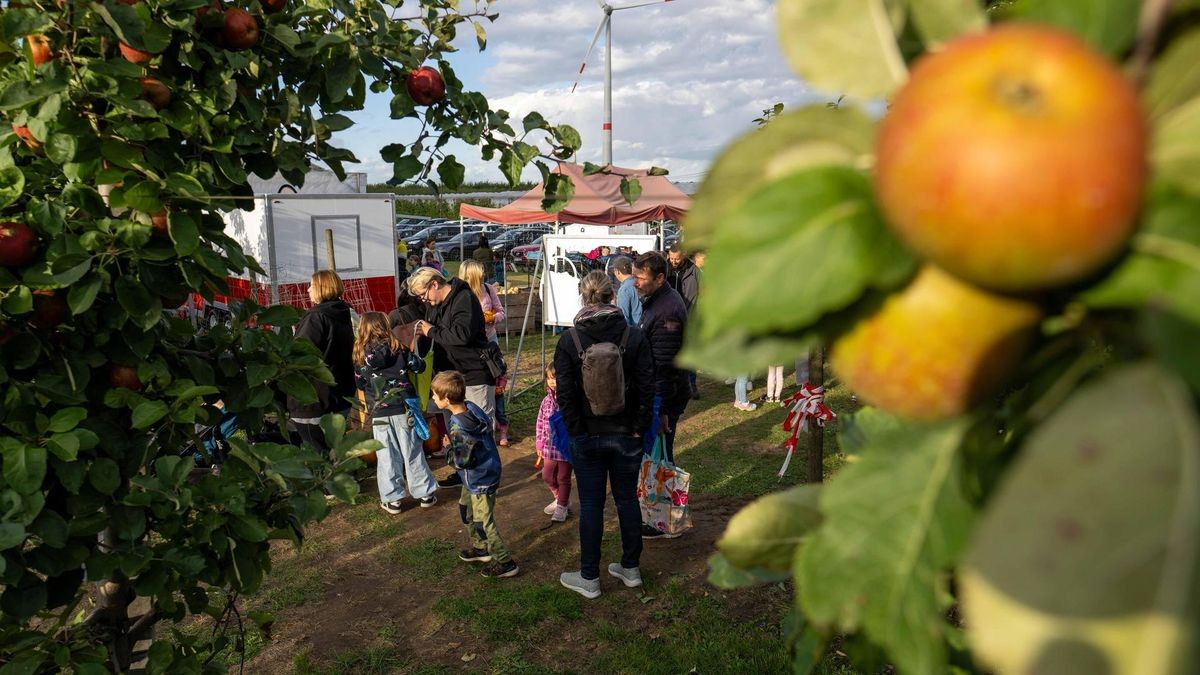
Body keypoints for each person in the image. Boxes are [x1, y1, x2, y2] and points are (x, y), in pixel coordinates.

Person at [555, 271, 654, 598]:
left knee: (592, 505)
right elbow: (647, 387)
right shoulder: (634, 336)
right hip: (627, 434)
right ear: (613, 296)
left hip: (588, 436)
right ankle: (630, 568)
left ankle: (589, 576)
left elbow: (565, 393)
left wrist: (576, 431)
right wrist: (639, 427)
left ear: (584, 298)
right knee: (627, 500)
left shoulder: (570, 340)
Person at [433, 370, 519, 578]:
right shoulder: (471, 408)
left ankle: (505, 561)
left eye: (435, 395)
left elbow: (463, 460)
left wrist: (448, 448)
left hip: (480, 480)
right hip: (476, 476)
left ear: (446, 399)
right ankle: (481, 548)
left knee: (483, 522)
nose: (433, 398)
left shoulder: (459, 428)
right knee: (465, 509)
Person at [352, 312, 438, 514]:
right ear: (385, 326)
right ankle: (425, 493)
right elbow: (419, 366)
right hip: (404, 408)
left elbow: (360, 384)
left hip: (379, 412)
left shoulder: (360, 356)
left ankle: (393, 499)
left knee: (386, 455)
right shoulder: (397, 348)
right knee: (412, 451)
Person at [632, 252, 690, 540]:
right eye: (634, 276)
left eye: (640, 278)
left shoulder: (667, 310)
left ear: (659, 278)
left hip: (663, 396)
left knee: (660, 460)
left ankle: (659, 520)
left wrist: (662, 410)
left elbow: (665, 366)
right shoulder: (657, 300)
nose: (635, 283)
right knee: (657, 458)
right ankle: (658, 515)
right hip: (659, 395)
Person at [288, 270, 355, 453]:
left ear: (321, 288)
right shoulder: (345, 313)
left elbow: (300, 353)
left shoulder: (316, 317)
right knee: (336, 446)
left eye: (311, 285)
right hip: (341, 392)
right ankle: (344, 476)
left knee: (317, 449)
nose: (308, 289)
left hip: (315, 398)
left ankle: (330, 479)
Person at [458, 260, 510, 445]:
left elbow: (501, 312)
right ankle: (471, 422)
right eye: (479, 273)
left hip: (490, 341)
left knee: (496, 382)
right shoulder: (461, 294)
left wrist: (493, 318)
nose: (483, 276)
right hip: (472, 345)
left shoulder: (488, 289)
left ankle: (501, 425)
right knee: (475, 386)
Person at [535, 364, 571, 523]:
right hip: (549, 446)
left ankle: (562, 506)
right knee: (547, 475)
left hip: (565, 445)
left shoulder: (569, 398)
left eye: (555, 378)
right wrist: (539, 443)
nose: (552, 382)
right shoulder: (546, 401)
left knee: (564, 477)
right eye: (549, 378)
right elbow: (541, 422)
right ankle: (559, 498)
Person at [665, 244, 700, 399]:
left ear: (684, 256)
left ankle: (691, 384)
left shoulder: (694, 271)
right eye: (671, 258)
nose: (674, 261)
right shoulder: (665, 270)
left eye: (677, 259)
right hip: (670, 319)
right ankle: (672, 385)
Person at [611, 255, 641, 327]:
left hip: (634, 331)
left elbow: (623, 317)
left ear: (617, 271)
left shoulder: (624, 290)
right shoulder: (639, 282)